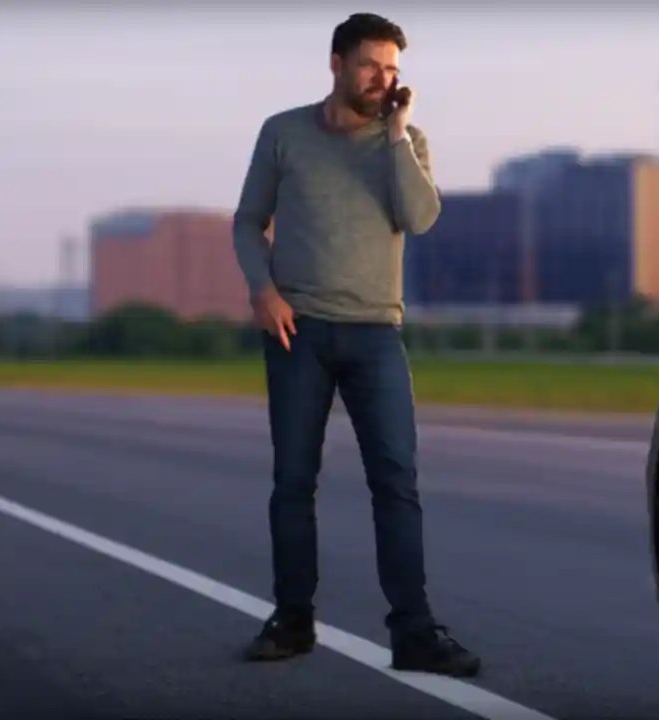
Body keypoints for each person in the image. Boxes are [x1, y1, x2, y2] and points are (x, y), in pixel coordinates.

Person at [230, 12, 480, 678]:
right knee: (292, 483)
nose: (383, 79)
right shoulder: (283, 133)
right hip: (298, 330)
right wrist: (263, 289)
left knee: (396, 484)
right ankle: (291, 621)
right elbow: (249, 220)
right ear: (337, 63)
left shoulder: (406, 140)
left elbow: (420, 218)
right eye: (371, 65)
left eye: (393, 69)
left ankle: (415, 633)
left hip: (377, 335)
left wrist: (397, 133)